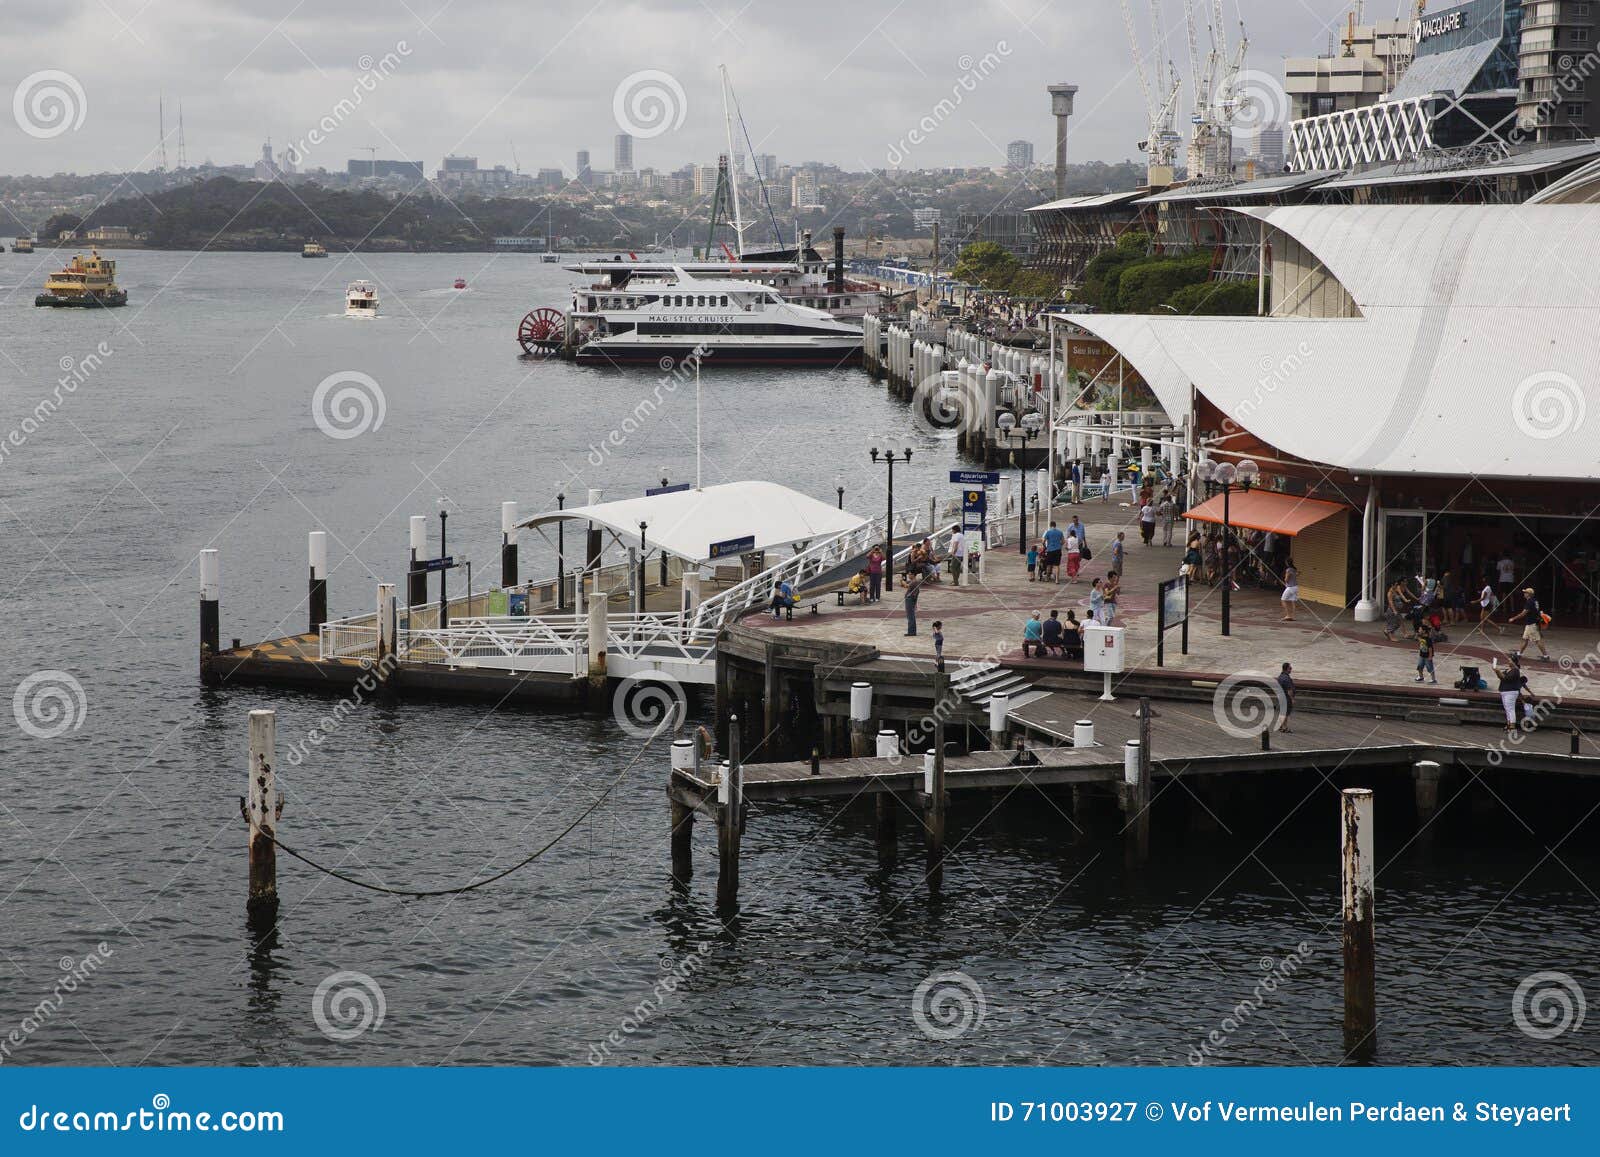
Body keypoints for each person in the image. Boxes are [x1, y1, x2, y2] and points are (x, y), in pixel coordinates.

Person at [1508, 586, 1551, 661]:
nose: (1524, 593)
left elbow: (1523, 614)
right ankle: (1519, 653)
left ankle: (1546, 656)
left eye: (1525, 592)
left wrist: (1513, 618)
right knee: (1525, 639)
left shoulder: (1529, 602)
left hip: (1531, 624)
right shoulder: (1535, 601)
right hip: (1532, 623)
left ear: (1529, 594)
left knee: (1537, 640)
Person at [1494, 656, 1528, 732]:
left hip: (1511, 692)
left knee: (1510, 709)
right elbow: (1501, 677)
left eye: (1510, 660)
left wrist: (1498, 671)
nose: (1509, 661)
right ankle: (1509, 724)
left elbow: (1506, 679)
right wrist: (1496, 671)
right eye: (1509, 660)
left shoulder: (1515, 671)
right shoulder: (1507, 670)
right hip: (1504, 691)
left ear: (1514, 662)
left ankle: (1512, 726)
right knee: (1507, 709)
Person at [1276, 662, 1294, 733]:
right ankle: (1284, 727)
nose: (1291, 669)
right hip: (1286, 698)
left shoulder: (1280, 677)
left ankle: (1280, 726)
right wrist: (1292, 699)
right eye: (1290, 668)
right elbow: (1289, 690)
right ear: (1286, 669)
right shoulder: (1286, 678)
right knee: (1286, 713)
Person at [1280, 558, 1300, 622]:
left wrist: (1284, 580)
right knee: (1293, 602)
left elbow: (1286, 579)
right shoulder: (1294, 569)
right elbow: (1296, 575)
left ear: (1287, 563)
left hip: (1290, 587)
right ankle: (1293, 616)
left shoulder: (1288, 570)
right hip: (1296, 587)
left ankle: (1288, 615)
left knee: (1283, 600)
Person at [903, 571, 922, 636]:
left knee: (910, 616)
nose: (909, 575)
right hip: (911, 599)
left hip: (910, 600)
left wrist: (902, 581)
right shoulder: (914, 581)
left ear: (913, 575)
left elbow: (906, 586)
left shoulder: (914, 582)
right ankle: (912, 631)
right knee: (911, 616)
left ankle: (911, 632)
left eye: (910, 574)